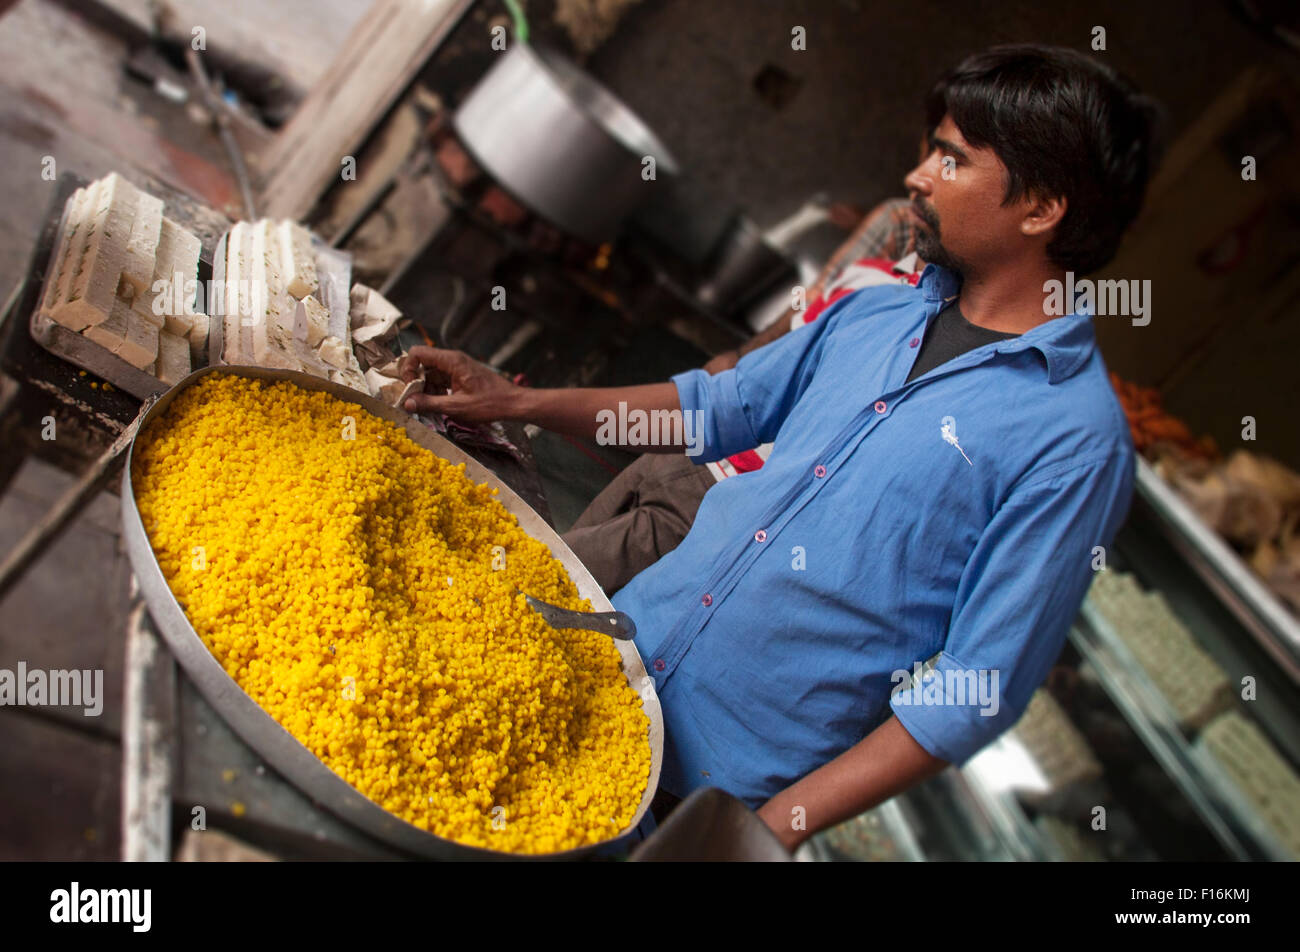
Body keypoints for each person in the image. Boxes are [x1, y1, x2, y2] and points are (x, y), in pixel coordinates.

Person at [399, 44, 1164, 851]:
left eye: (951, 158)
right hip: (597, 662)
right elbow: (711, 410)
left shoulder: (1075, 442)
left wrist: (764, 830)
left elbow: (978, 687)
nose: (917, 178)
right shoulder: (881, 314)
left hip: (701, 795)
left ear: (1042, 208)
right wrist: (518, 402)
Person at [562, 197, 924, 595]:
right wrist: (736, 363)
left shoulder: (916, 333)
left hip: (721, 486)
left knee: (559, 581)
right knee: (558, 550)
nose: (917, 183)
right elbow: (787, 332)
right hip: (691, 446)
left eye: (951, 162)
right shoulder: (869, 277)